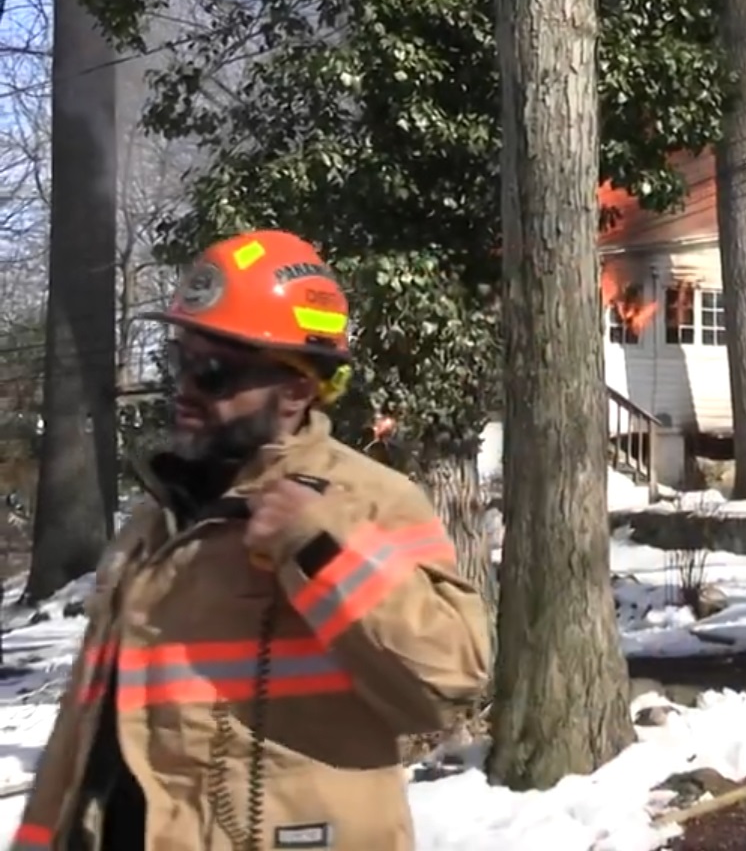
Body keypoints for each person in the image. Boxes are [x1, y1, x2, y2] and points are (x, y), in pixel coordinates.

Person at [11, 231, 492, 851]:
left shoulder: (368, 500)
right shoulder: (154, 524)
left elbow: (447, 683)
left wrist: (319, 549)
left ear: (295, 389)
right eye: (178, 361)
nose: (184, 387)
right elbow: (84, 732)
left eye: (213, 371)